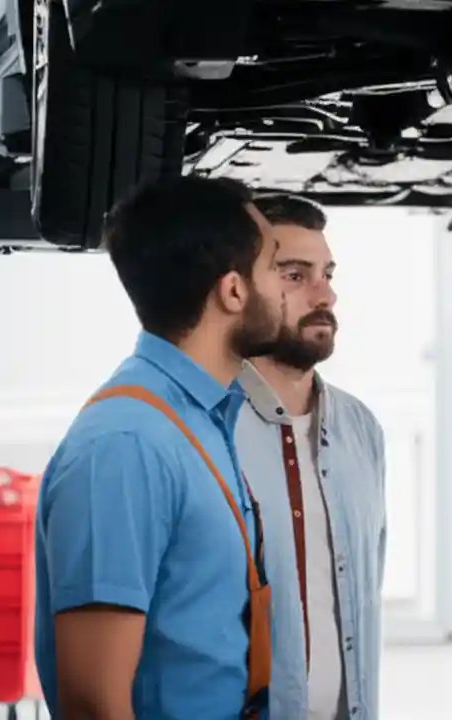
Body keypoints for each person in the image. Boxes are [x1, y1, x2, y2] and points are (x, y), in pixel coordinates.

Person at [33, 176, 285, 720]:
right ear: (234, 290)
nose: (285, 288)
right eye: (275, 267)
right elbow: (94, 703)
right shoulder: (126, 447)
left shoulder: (203, 418)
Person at [235, 193, 387, 720]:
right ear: (240, 286)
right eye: (295, 276)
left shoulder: (360, 428)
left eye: (327, 273)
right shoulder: (207, 428)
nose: (325, 295)